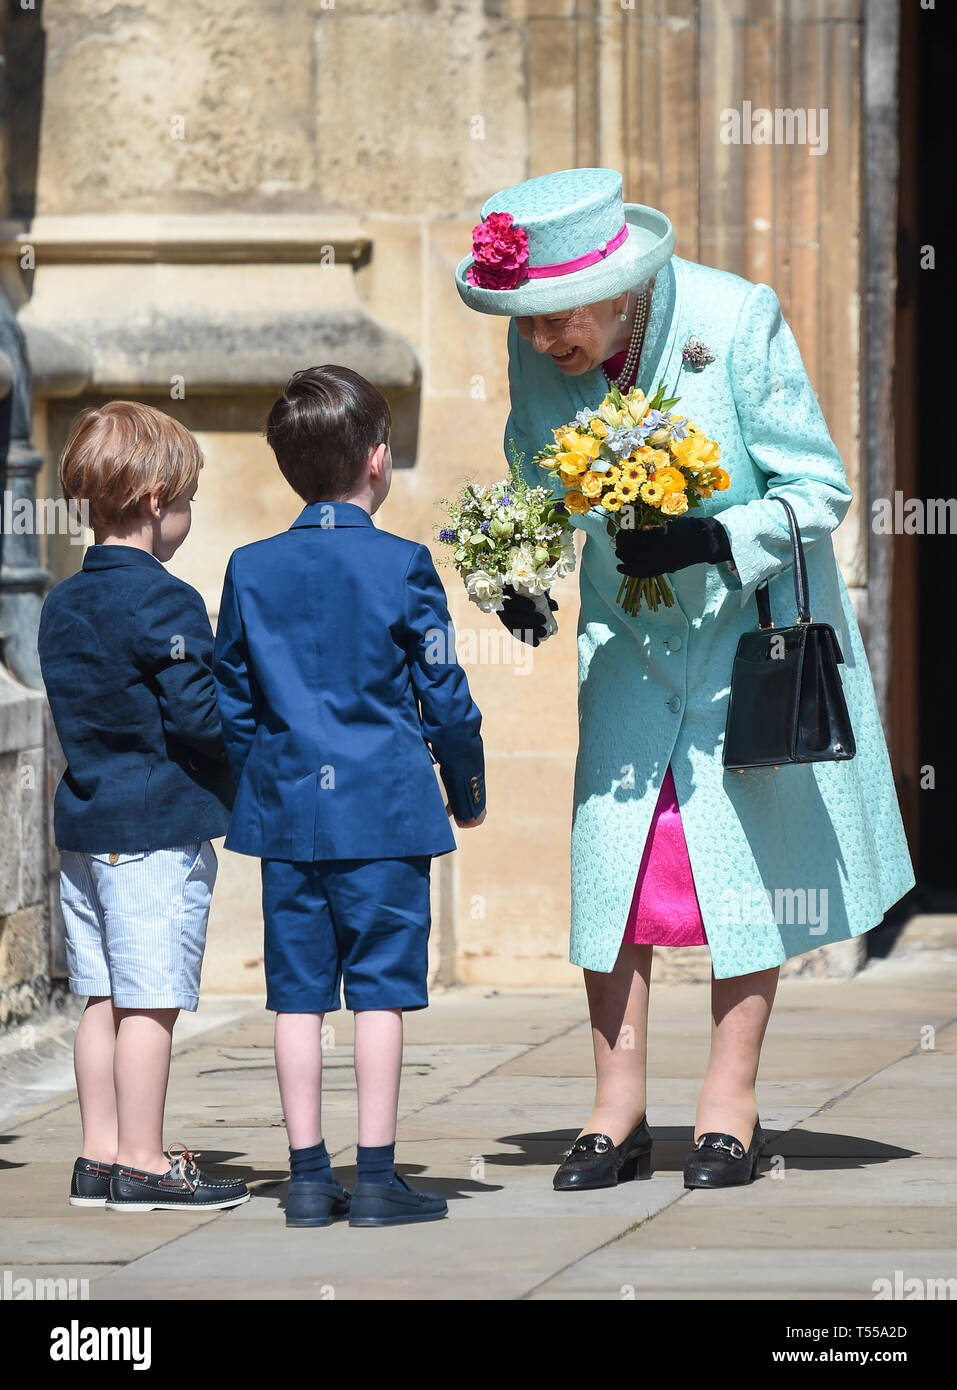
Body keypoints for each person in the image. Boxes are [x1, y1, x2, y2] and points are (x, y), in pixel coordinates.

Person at [455, 167, 915, 1191]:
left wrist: (712, 533)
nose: (537, 342)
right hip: (626, 644)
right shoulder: (541, 343)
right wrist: (520, 571)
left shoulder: (735, 318)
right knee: (614, 870)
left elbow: (818, 489)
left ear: (619, 285)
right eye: (520, 321)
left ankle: (729, 1108)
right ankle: (615, 1113)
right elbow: (533, 472)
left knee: (734, 868)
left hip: (739, 643)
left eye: (554, 319)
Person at [213, 364, 486, 1228]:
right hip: (387, 812)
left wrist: (266, 784)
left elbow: (232, 701)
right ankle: (374, 1178)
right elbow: (443, 690)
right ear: (377, 460)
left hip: (291, 816)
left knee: (296, 996)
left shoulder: (249, 568)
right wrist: (466, 785)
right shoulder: (404, 564)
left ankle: (303, 1178)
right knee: (377, 992)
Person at [38, 401, 247, 1212]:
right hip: (155, 829)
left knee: (101, 996)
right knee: (151, 1001)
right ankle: (144, 1161)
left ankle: (97, 1156)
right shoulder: (165, 598)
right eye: (187, 498)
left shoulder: (61, 602)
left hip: (86, 825)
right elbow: (199, 718)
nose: (188, 514)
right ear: (159, 498)